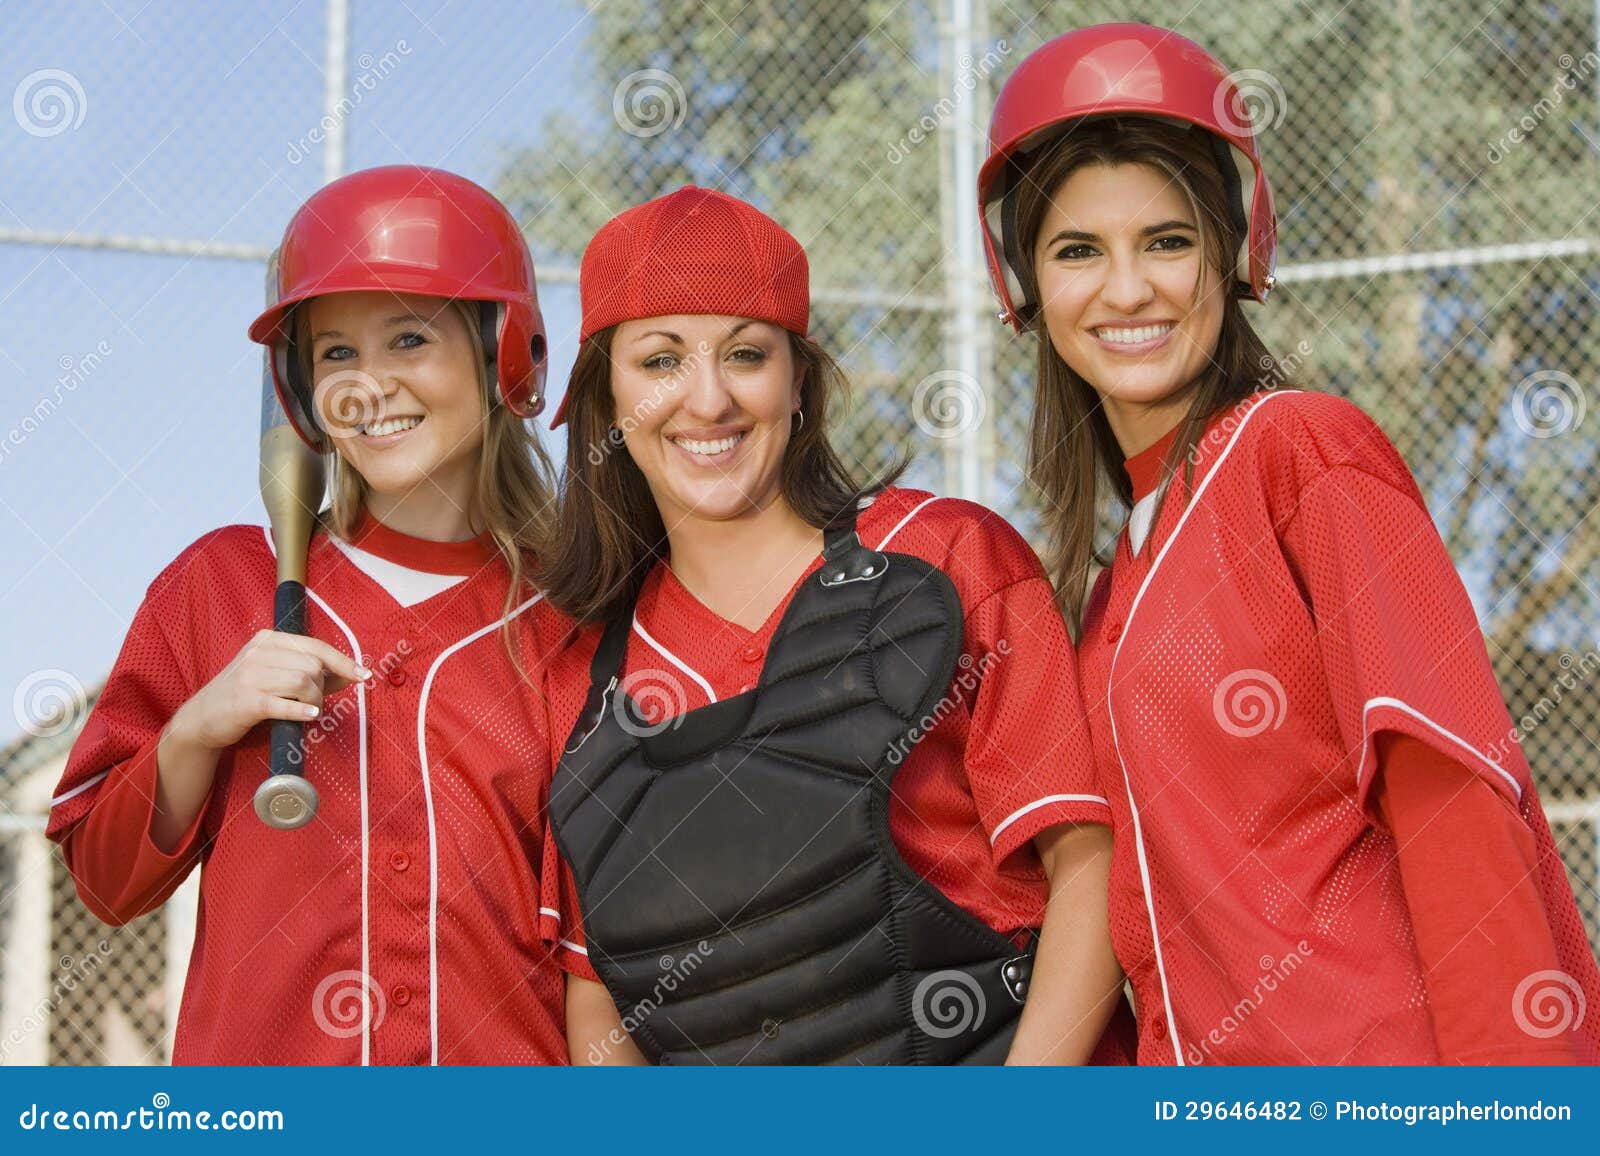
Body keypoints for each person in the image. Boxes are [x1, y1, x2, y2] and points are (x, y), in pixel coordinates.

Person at [978, 22, 1600, 1064]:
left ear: (1233, 255)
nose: (1126, 289)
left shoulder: (1301, 451)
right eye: (1078, 250)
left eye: (1167, 241)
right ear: (1028, 288)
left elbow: (1448, 793)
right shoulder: (1110, 587)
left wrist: (1513, 1104)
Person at [536, 185, 1134, 1065]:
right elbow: (600, 1000)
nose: (708, 399)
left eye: (746, 354)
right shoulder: (587, 677)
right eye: (660, 360)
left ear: (798, 382)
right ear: (606, 399)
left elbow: (1087, 862)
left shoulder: (942, 557)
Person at [47, 165, 575, 1065]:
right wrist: (198, 730)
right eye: (335, 354)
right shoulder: (226, 584)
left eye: (408, 338)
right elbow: (105, 884)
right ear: (299, 389)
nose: (366, 385)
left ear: (504, 358)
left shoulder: (570, 620)